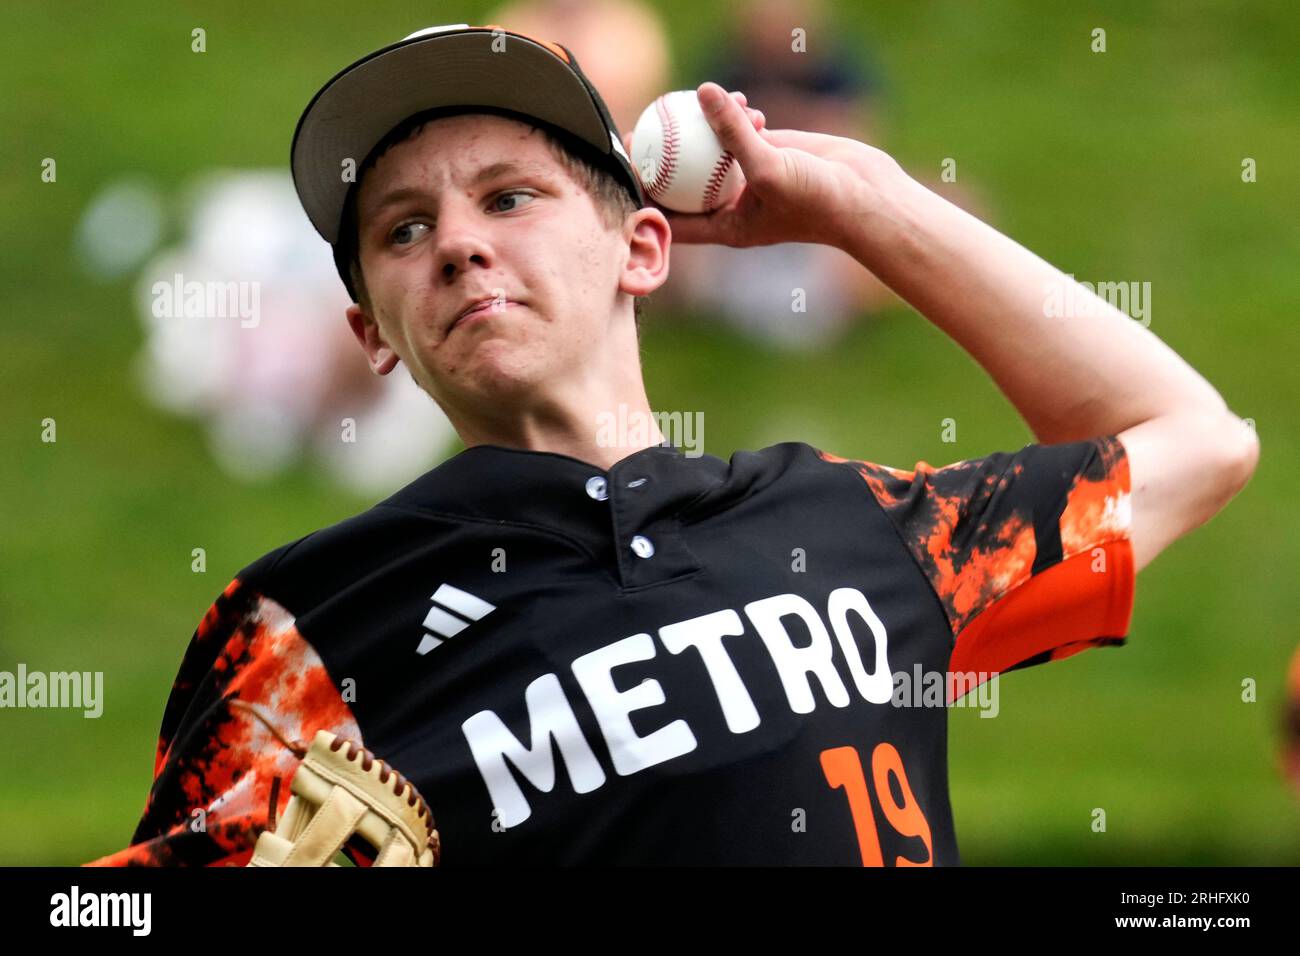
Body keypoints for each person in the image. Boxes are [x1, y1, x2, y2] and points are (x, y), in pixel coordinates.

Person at [88, 24, 1258, 866]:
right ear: (373, 332)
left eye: (508, 198)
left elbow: (1195, 441)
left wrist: (863, 206)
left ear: (644, 249)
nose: (456, 245)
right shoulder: (305, 630)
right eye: (404, 227)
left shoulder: (849, 530)